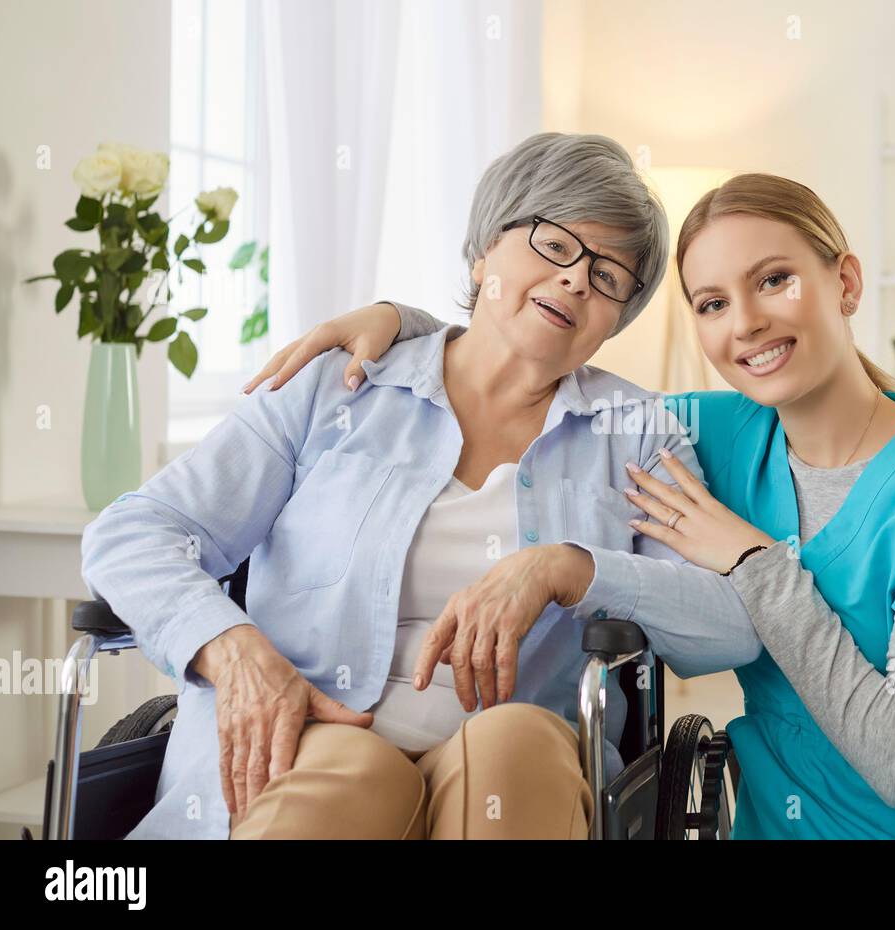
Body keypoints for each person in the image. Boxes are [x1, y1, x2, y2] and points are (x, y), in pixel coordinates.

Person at [257, 172, 895, 839]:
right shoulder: (705, 431)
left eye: (774, 281)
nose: (746, 324)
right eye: (711, 303)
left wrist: (753, 564)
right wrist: (400, 323)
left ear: (844, 281)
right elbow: (529, 357)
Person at [80, 132, 762, 840]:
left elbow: (726, 627)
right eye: (556, 244)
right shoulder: (338, 385)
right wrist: (234, 650)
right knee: (354, 777)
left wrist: (569, 568)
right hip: (312, 736)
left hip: (509, 764)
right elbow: (135, 532)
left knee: (517, 744)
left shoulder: (640, 433)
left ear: (617, 317)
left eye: (609, 275)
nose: (576, 280)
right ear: (484, 249)